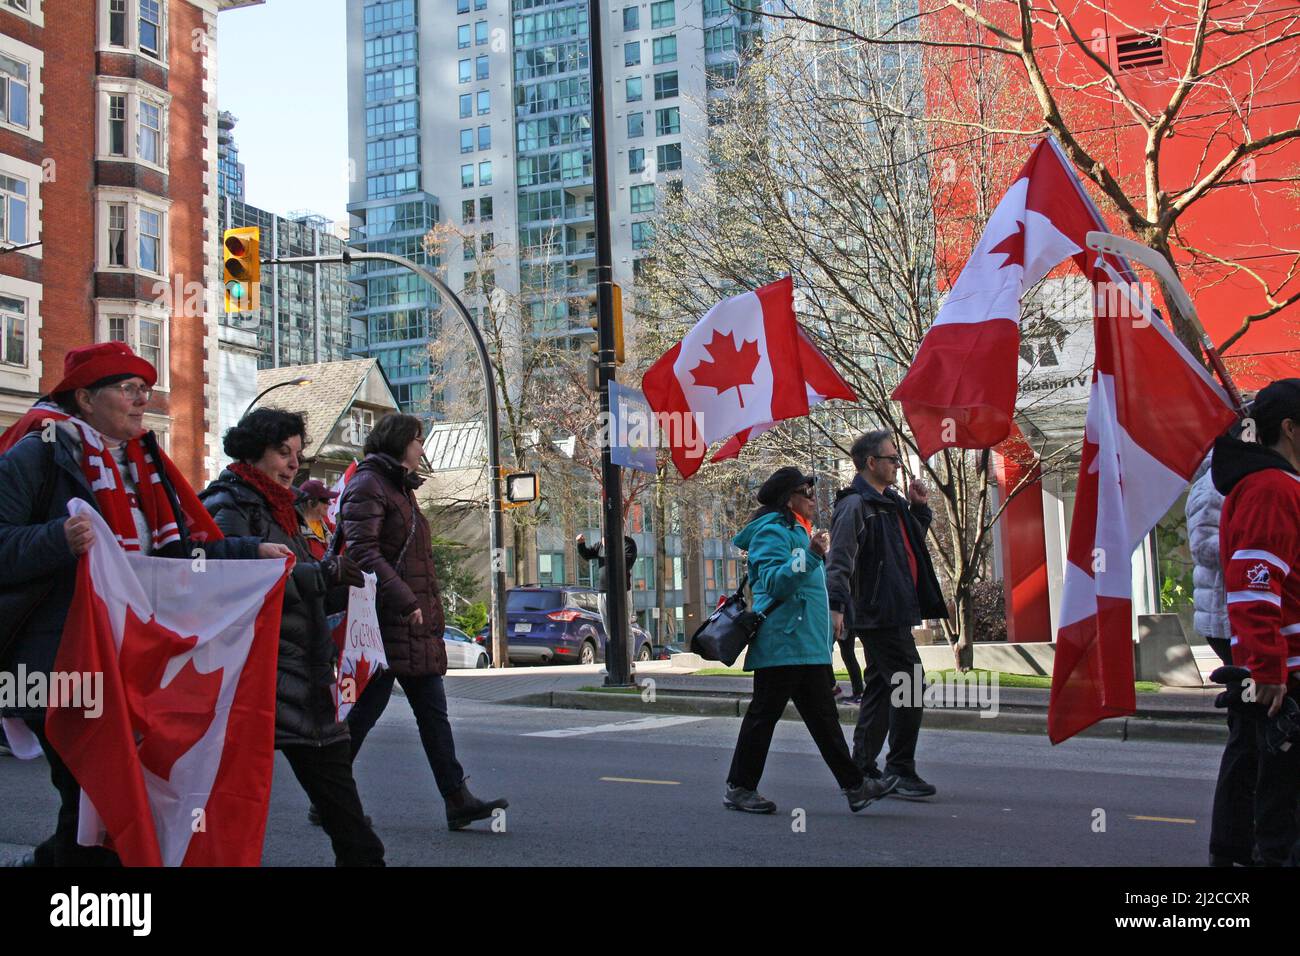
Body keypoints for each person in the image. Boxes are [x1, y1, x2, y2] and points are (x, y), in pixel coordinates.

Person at [0, 343, 280, 867]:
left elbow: (170, 558)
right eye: (128, 389)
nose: (141, 401)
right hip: (62, 659)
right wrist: (57, 539)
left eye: (144, 390)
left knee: (102, 805)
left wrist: (247, 552)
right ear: (85, 397)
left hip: (134, 659)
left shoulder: (144, 463)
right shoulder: (39, 451)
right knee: (98, 794)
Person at [200, 408, 385, 867]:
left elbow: (300, 586)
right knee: (216, 808)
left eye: (297, 455)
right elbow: (233, 581)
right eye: (282, 452)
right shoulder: (229, 504)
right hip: (254, 678)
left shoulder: (283, 508)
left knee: (351, 824)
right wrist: (322, 574)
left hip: (304, 678)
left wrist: (342, 586)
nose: (291, 464)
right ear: (253, 450)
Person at [338, 413, 507, 831]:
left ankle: (456, 799)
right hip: (384, 622)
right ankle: (329, 792)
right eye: (417, 440)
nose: (422, 448)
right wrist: (406, 598)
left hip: (408, 624)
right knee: (367, 714)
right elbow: (361, 551)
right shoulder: (368, 484)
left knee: (429, 713)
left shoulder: (397, 487)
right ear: (399, 443)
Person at [724, 465, 894, 814]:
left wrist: (833, 618)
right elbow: (773, 582)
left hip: (805, 646)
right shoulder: (772, 533)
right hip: (783, 645)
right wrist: (813, 555)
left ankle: (855, 786)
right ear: (789, 500)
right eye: (807, 493)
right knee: (763, 716)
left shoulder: (799, 532)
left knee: (824, 721)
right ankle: (740, 787)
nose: (815, 499)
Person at [826, 430, 948, 800]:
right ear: (870, 463)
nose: (898, 464)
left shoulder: (889, 502)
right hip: (876, 612)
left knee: (881, 687)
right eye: (892, 458)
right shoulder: (854, 507)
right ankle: (900, 768)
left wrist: (919, 509)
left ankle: (862, 767)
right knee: (911, 681)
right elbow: (839, 561)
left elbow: (908, 544)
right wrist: (836, 607)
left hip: (895, 609)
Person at [1213, 378, 1300, 866]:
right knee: (1277, 804)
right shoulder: (1271, 487)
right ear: (1290, 429)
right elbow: (1254, 584)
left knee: (1257, 781)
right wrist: (1268, 669)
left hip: (1277, 672)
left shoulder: (1273, 484)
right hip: (1284, 677)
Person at [1187, 447, 1256, 867]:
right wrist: (1255, 540)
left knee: (1256, 735)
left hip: (1240, 616)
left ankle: (1242, 838)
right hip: (1229, 621)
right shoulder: (1215, 481)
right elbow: (1204, 545)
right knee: (1248, 734)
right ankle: (1231, 843)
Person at [576, 531, 638, 658]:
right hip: (603, 592)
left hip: (622, 591)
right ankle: (614, 659)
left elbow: (625, 564)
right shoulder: (601, 545)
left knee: (625, 627)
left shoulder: (628, 543)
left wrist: (610, 549)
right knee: (608, 628)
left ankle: (628, 659)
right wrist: (581, 544)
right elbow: (587, 555)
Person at [297, 478, 338, 561]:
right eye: (325, 500)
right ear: (310, 503)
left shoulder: (330, 528)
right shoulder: (295, 533)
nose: (329, 504)